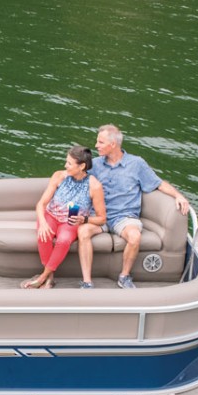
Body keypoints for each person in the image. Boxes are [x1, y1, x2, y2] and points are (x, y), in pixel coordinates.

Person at [76, 124, 191, 289]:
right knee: (83, 231)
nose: (96, 146)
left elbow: (158, 184)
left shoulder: (137, 164)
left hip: (124, 217)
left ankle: (124, 277)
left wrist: (178, 195)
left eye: (100, 142)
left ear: (113, 144)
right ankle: (87, 282)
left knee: (135, 236)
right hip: (99, 215)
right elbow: (75, 179)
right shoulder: (94, 165)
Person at [21, 145, 106, 290]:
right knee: (44, 235)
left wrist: (84, 220)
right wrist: (42, 223)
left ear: (82, 166)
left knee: (64, 240)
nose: (65, 166)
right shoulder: (59, 176)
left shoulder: (94, 186)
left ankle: (42, 277)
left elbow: (102, 218)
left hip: (71, 222)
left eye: (69, 163)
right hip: (51, 215)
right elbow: (41, 204)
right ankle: (50, 278)